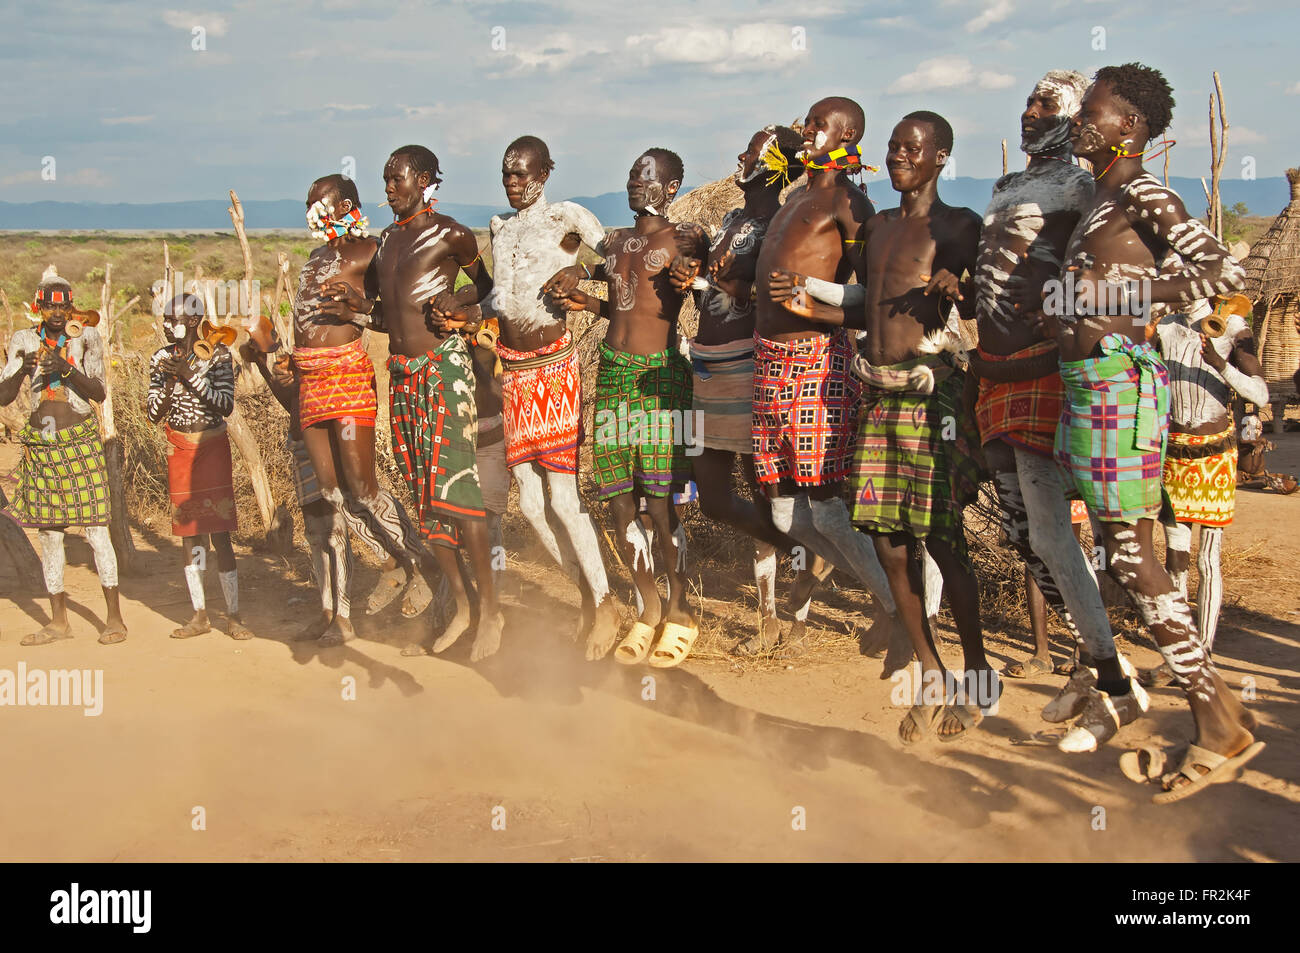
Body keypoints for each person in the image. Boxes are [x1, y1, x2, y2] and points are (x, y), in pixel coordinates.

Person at [1050, 63, 1260, 802]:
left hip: (1117, 390)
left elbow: (1220, 269)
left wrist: (1126, 291)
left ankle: (1216, 715)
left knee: (1134, 555)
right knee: (1113, 550)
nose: (1082, 122)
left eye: (1095, 113)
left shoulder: (1141, 190)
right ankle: (1201, 706)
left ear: (1129, 127)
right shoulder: (1100, 197)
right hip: (1088, 391)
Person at [777, 111, 990, 742]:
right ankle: (931, 675)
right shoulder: (877, 227)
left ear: (940, 157)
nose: (899, 156)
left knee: (944, 542)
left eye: (912, 148)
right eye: (894, 147)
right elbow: (867, 307)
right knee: (889, 546)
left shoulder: (959, 226)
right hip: (877, 394)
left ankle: (976, 677)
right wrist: (811, 305)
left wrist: (961, 286)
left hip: (931, 395)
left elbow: (983, 302)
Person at [430, 136, 618, 660]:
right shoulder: (501, 228)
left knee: (562, 497)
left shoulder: (568, 217)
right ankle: (588, 595)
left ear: (545, 173)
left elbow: (621, 260)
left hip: (554, 368)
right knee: (532, 507)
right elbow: (499, 297)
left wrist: (583, 271)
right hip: (514, 375)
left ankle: (605, 603)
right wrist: (462, 306)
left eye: (523, 174)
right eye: (507, 175)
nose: (514, 183)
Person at [324, 145, 503, 660]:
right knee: (428, 502)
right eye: (384, 180)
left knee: (458, 491)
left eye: (395, 179)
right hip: (402, 380)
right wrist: (360, 309)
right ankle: (464, 606)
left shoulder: (451, 233)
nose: (387, 188)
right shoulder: (385, 242)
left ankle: (491, 611)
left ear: (423, 179)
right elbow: (387, 317)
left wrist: (460, 303)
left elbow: (490, 291)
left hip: (444, 371)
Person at [751, 97, 903, 668]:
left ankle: (898, 610)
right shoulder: (795, 199)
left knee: (828, 507)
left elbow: (877, 300)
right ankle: (890, 602)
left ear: (848, 136)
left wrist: (814, 310)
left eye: (818, 124)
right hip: (770, 360)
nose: (805, 130)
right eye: (807, 121)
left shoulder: (851, 203)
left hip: (817, 360)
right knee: (789, 515)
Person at [666, 125, 830, 656]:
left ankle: (781, 618)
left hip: (747, 365)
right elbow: (714, 295)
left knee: (771, 493)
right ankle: (798, 567)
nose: (740, 156)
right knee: (717, 497)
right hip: (710, 367)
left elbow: (755, 295)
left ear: (777, 165)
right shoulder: (733, 222)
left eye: (753, 151)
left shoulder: (780, 224)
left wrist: (706, 280)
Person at [543, 147, 709, 668]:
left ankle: (680, 610)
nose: (637, 182)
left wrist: (693, 267)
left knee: (660, 503)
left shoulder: (684, 238)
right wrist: (581, 286)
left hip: (658, 378)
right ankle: (648, 603)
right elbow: (625, 298)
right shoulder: (615, 242)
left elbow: (697, 273)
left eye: (650, 176)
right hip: (614, 375)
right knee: (618, 499)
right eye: (634, 174)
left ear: (673, 185)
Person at [295, 174, 440, 636]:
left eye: (320, 205)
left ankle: (421, 564)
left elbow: (392, 312)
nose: (312, 214)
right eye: (308, 205)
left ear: (345, 206)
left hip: (348, 376)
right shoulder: (316, 258)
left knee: (362, 486)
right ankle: (341, 611)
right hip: (308, 378)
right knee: (331, 494)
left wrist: (356, 312)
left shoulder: (370, 251)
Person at [1143, 294, 1269, 680]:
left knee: (1207, 559)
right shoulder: (1165, 327)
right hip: (1176, 454)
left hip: (1215, 456)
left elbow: (1260, 394)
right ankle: (1182, 653)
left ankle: (1206, 651)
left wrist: (1220, 364)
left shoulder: (1233, 329)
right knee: (1175, 560)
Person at [0, 266, 126, 645]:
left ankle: (115, 618)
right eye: (50, 307)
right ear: (38, 307)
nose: (57, 314)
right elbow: (3, 396)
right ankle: (59, 622)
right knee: (50, 536)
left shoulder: (86, 337)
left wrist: (65, 369)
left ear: (72, 307)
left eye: (63, 307)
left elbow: (99, 392)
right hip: (41, 445)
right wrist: (23, 367)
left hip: (79, 440)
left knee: (96, 531)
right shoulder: (23, 339)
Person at [146, 293, 252, 640]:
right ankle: (200, 615)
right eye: (163, 318)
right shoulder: (160, 358)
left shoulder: (219, 355)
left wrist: (190, 374)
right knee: (190, 535)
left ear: (193, 321)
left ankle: (234, 616)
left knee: (220, 533)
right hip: (179, 447)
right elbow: (152, 412)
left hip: (212, 446)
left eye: (171, 318)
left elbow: (224, 405)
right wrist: (172, 379)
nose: (165, 325)